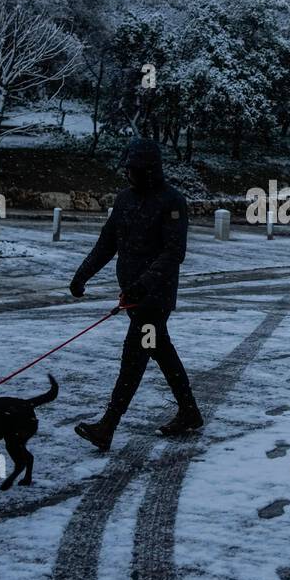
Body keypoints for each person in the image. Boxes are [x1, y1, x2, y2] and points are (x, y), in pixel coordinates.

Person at [69, 137, 202, 452]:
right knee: (161, 352)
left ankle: (108, 426)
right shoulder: (125, 199)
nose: (128, 174)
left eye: (133, 169)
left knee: (134, 357)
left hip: (154, 299)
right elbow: (107, 243)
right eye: (127, 168)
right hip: (133, 297)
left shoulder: (172, 201)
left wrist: (145, 283)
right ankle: (190, 412)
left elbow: (174, 253)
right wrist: (82, 274)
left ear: (149, 170)